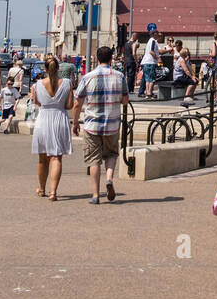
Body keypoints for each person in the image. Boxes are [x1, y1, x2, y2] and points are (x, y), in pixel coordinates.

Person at [72, 44, 129, 204]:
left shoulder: (88, 77)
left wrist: (75, 123)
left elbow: (78, 103)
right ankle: (109, 179)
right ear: (111, 59)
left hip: (92, 124)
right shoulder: (119, 76)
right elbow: (125, 101)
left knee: (93, 159)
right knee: (111, 154)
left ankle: (96, 195)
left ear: (97, 58)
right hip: (112, 124)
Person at [30, 55, 73, 200]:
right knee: (56, 157)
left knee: (42, 158)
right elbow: (69, 105)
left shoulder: (37, 85)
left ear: (45, 69)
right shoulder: (67, 83)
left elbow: (36, 102)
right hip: (59, 118)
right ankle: (53, 192)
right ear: (58, 68)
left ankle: (42, 188)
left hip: (44, 119)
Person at [172, 40, 197, 104]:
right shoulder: (181, 60)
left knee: (196, 81)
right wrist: (192, 78)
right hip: (178, 77)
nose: (188, 54)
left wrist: (194, 76)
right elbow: (186, 71)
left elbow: (190, 69)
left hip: (182, 76)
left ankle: (191, 95)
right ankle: (186, 96)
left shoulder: (185, 60)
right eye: (187, 53)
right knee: (192, 82)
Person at [138, 31, 161, 98]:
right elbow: (151, 51)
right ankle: (149, 93)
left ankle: (148, 93)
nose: (158, 35)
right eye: (157, 34)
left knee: (147, 79)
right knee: (152, 79)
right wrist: (158, 59)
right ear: (154, 34)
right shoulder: (153, 41)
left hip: (145, 62)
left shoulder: (149, 41)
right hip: (151, 62)